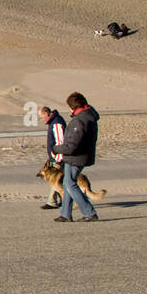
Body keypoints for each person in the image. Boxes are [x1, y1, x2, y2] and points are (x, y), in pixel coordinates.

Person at [53, 92, 100, 222]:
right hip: (76, 156)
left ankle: (89, 212)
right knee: (68, 183)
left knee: (69, 183)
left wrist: (56, 149)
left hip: (77, 157)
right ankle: (66, 214)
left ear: (73, 106)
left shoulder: (80, 120)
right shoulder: (87, 116)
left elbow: (72, 145)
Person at [38, 105, 67, 209]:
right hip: (54, 156)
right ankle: (60, 201)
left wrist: (58, 161)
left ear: (47, 114)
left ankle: (52, 202)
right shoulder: (53, 122)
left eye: (42, 117)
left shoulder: (57, 123)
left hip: (58, 157)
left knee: (55, 180)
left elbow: (60, 143)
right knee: (58, 181)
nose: (42, 119)